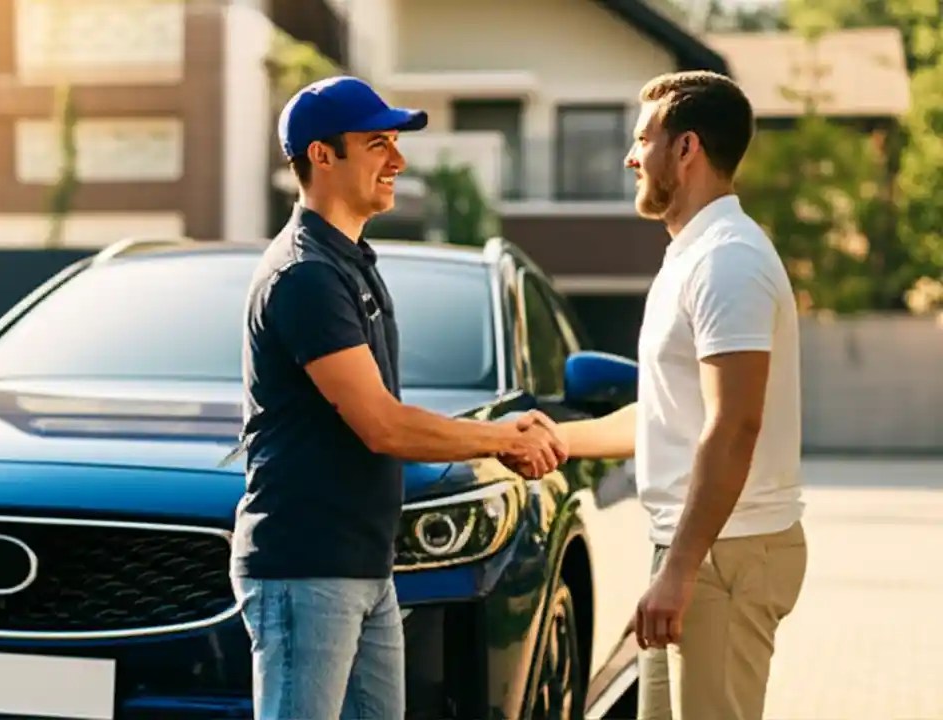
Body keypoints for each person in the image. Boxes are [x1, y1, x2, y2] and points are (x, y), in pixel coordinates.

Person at [230, 75, 567, 720]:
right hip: (307, 570)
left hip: (364, 566)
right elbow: (383, 426)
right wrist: (504, 441)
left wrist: (497, 428)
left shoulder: (350, 263)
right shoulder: (304, 275)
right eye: (377, 143)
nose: (398, 160)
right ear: (321, 155)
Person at [546, 71, 807, 720]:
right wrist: (554, 438)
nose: (630, 157)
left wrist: (680, 571)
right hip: (697, 550)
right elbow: (669, 417)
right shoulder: (690, 256)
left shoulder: (728, 261)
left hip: (726, 554)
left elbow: (734, 426)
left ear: (686, 148)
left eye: (642, 139)